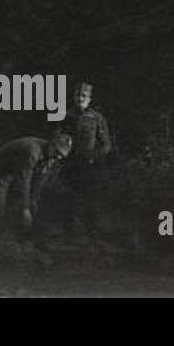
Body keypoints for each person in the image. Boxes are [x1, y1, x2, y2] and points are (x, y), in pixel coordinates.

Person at [0, 131, 73, 236]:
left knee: (27, 205)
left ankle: (20, 238)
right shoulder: (32, 151)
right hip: (1, 170)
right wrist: (26, 208)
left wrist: (32, 203)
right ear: (51, 145)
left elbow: (39, 182)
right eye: (57, 152)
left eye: (61, 155)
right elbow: (24, 180)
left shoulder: (50, 157)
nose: (58, 157)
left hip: (17, 170)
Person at [60, 80, 113, 240]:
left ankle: (93, 234)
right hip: (70, 164)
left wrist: (95, 157)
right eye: (77, 95)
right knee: (70, 199)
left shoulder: (96, 118)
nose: (80, 98)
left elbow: (106, 144)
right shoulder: (66, 115)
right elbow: (59, 137)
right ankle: (71, 234)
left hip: (90, 165)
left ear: (89, 98)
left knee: (90, 198)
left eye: (84, 95)